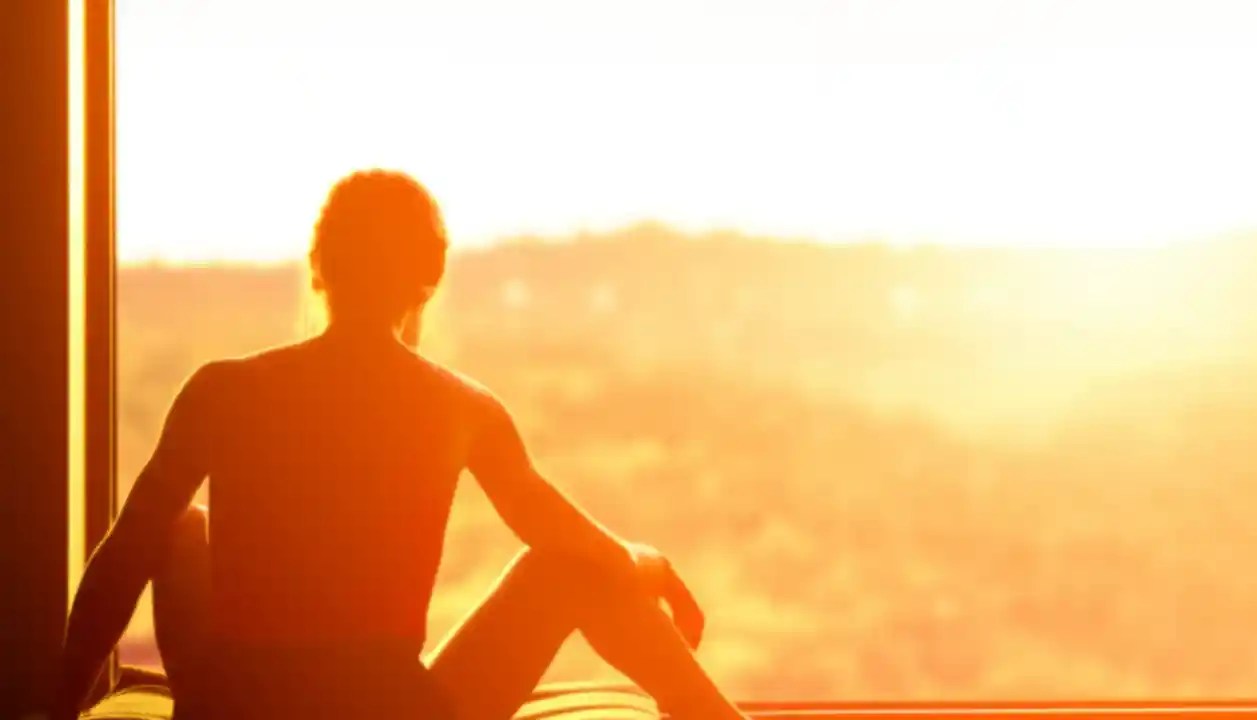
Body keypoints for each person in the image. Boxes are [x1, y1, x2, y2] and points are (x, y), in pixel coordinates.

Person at [55, 170, 749, 720]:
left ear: (320, 265)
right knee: (557, 571)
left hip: (239, 708)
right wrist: (653, 566)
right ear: (430, 276)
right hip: (386, 712)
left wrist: (54, 709)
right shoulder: (463, 408)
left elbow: (122, 557)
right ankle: (712, 717)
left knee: (172, 528)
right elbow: (584, 555)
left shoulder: (221, 390)